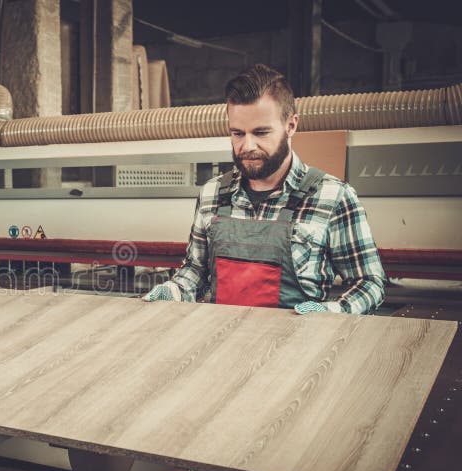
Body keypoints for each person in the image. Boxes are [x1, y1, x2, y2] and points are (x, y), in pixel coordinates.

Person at [143, 64, 386, 314]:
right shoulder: (212, 194)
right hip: (218, 342)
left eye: (261, 132)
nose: (248, 145)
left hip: (294, 346)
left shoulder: (332, 197)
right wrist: (173, 290)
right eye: (237, 133)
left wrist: (332, 313)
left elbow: (369, 283)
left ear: (291, 126)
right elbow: (195, 271)